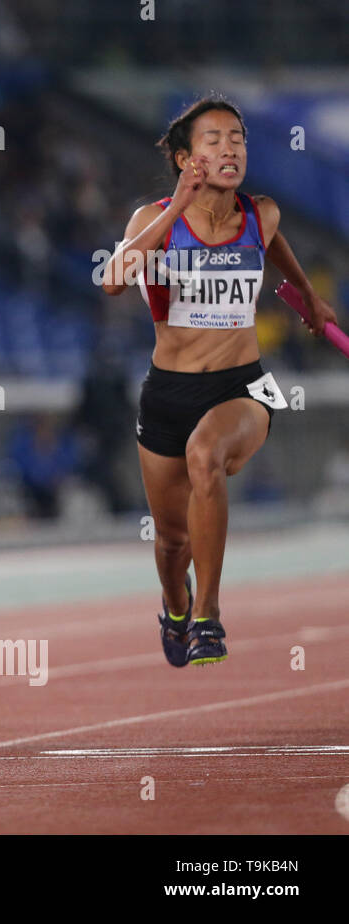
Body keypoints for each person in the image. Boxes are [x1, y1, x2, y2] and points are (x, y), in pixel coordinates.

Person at [101, 97, 338, 666]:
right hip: (168, 392)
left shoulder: (262, 214)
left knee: (206, 455)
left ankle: (207, 615)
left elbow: (272, 242)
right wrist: (177, 205)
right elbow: (113, 281)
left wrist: (307, 296)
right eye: (214, 140)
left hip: (243, 385)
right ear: (186, 158)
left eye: (237, 138)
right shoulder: (150, 220)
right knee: (170, 542)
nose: (230, 148)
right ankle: (176, 602)